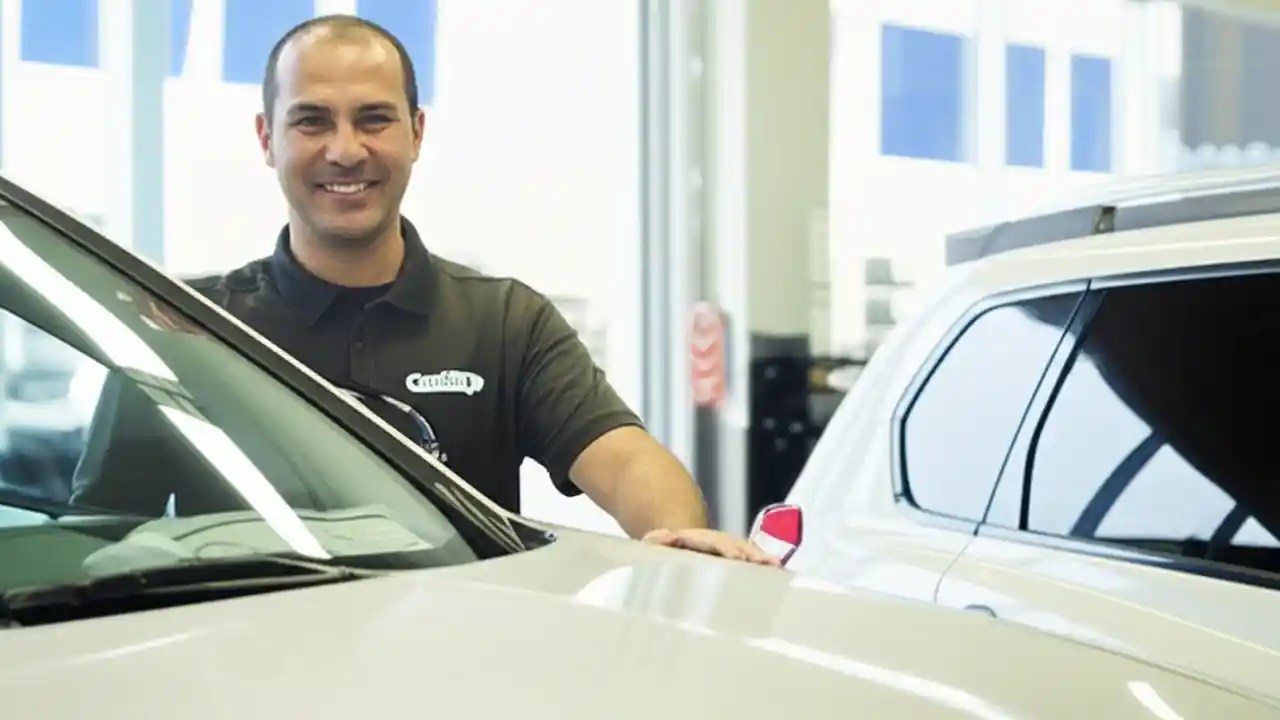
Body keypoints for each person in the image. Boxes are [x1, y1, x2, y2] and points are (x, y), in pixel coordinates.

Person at [187, 15, 777, 566]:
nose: (345, 151)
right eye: (312, 121)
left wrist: (678, 537)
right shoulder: (194, 328)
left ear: (416, 134)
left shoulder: (504, 322)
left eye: (374, 119)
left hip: (461, 638)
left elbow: (624, 461)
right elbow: (129, 518)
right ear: (267, 138)